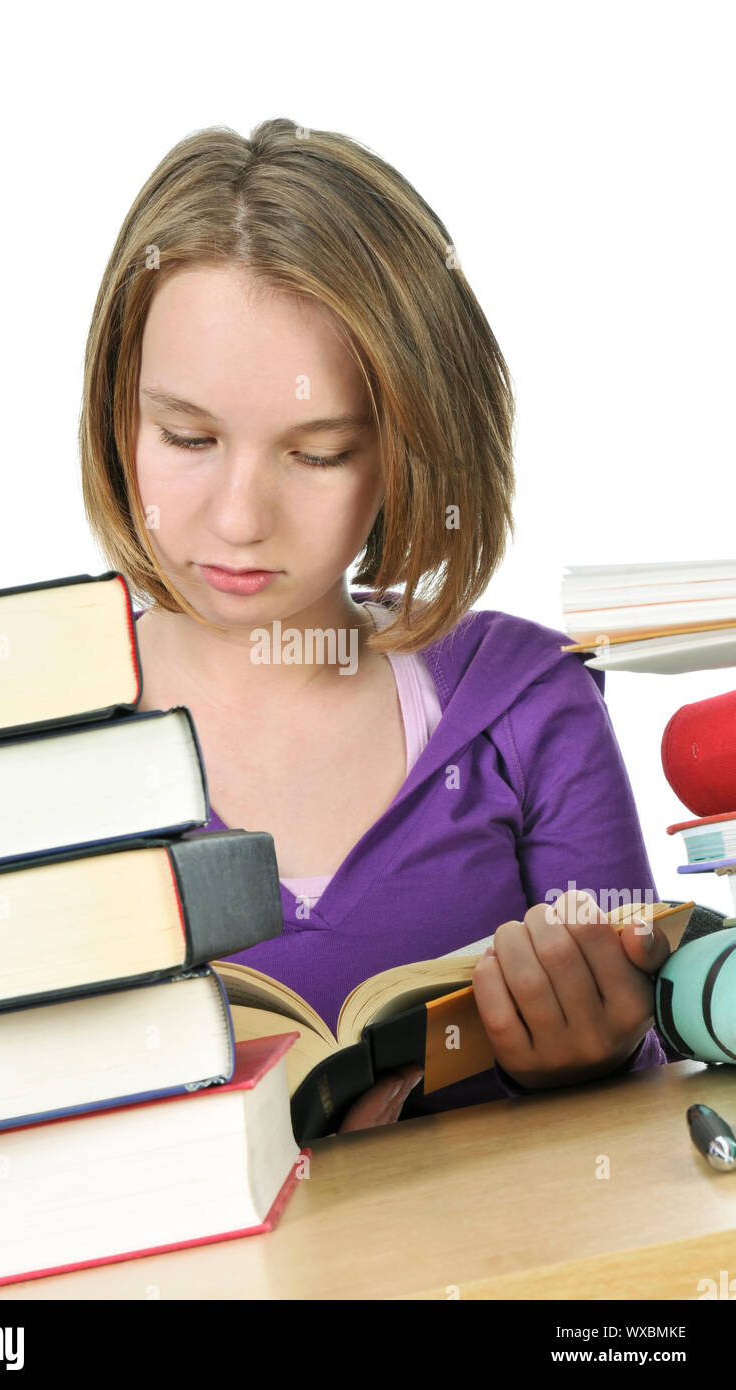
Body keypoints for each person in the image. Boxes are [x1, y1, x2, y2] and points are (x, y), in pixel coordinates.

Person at [80, 118, 669, 1132]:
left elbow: (661, 1121)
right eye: (186, 436)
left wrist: (597, 1052)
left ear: (406, 448)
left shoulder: (524, 707)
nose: (237, 518)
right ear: (116, 414)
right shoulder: (28, 750)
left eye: (314, 454)